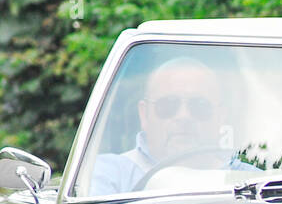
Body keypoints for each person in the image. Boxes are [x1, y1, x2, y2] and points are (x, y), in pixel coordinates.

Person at [89, 56, 256, 195]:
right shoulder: (107, 175)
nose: (183, 116)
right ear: (144, 114)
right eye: (167, 105)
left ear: (220, 116)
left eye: (199, 106)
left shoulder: (253, 183)